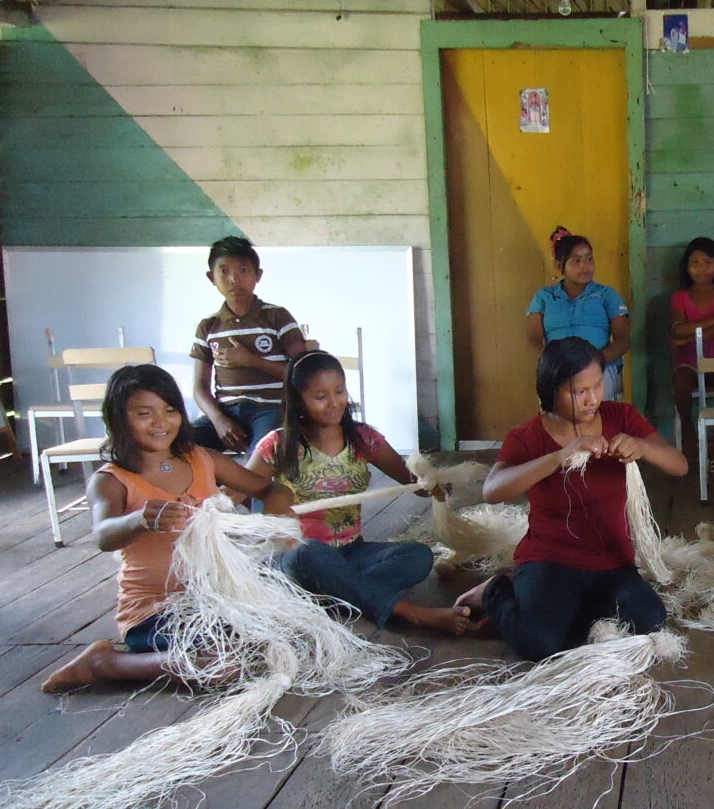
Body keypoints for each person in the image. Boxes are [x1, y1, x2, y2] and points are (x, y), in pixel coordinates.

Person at [42, 365, 291, 693]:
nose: (160, 422)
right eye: (144, 413)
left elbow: (273, 490)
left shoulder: (202, 459)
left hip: (212, 599)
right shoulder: (111, 480)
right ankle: (104, 663)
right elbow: (103, 536)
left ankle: (199, 654)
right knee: (222, 666)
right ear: (118, 419)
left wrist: (271, 526)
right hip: (153, 611)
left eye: (169, 410)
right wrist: (140, 519)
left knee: (280, 642)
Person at [457, 338, 688, 661]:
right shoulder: (528, 436)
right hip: (551, 561)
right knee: (540, 646)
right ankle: (494, 591)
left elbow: (679, 465)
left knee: (650, 621)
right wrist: (559, 457)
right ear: (551, 390)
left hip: (613, 561)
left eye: (597, 385)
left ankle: (558, 613)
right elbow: (492, 491)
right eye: (579, 392)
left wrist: (643, 447)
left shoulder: (621, 417)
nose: (592, 399)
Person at [246, 352, 470, 635]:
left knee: (418, 556)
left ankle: (333, 595)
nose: (334, 403)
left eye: (339, 391)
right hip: (296, 555)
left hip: (351, 551)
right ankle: (410, 613)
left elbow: (411, 481)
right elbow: (239, 493)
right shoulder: (277, 444)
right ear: (297, 399)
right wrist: (268, 510)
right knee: (308, 551)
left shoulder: (363, 438)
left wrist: (433, 484)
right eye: (320, 396)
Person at [190, 235, 306, 453]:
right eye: (224, 271)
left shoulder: (277, 316)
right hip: (225, 412)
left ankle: (247, 475)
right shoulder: (208, 326)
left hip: (270, 409)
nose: (234, 279)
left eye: (243, 270)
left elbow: (304, 374)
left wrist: (251, 360)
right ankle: (223, 475)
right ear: (211, 277)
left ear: (257, 275)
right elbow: (199, 387)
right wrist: (218, 419)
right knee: (183, 446)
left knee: (265, 451)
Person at [526, 228, 631, 400]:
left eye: (589, 259)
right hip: (558, 369)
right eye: (576, 261)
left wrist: (594, 362)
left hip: (600, 368)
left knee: (597, 409)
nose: (585, 266)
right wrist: (554, 364)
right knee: (558, 410)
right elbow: (533, 340)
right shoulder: (544, 297)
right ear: (559, 266)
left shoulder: (606, 295)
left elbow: (623, 340)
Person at [670, 236, 714, 455]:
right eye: (695, 263)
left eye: (707, 262)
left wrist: (688, 338)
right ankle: (688, 429)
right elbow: (677, 329)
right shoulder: (679, 297)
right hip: (689, 362)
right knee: (680, 381)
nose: (701, 268)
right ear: (687, 267)